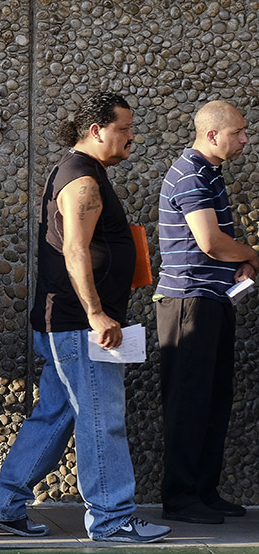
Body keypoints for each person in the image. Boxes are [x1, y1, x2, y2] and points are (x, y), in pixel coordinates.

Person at [0, 92, 170, 544]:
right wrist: (97, 314)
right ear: (97, 130)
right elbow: (75, 249)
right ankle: (111, 519)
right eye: (123, 128)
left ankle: (2, 504)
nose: (131, 136)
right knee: (102, 418)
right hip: (79, 326)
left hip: (70, 325)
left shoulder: (83, 173)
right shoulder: (82, 180)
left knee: (57, 414)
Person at [155, 100, 255, 524]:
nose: (245, 140)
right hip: (188, 303)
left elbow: (217, 248)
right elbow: (210, 242)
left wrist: (242, 261)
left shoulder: (208, 173)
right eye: (238, 132)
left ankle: (203, 490)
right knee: (189, 401)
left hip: (211, 300)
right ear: (212, 135)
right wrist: (253, 254)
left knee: (214, 400)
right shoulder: (191, 172)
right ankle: (180, 498)